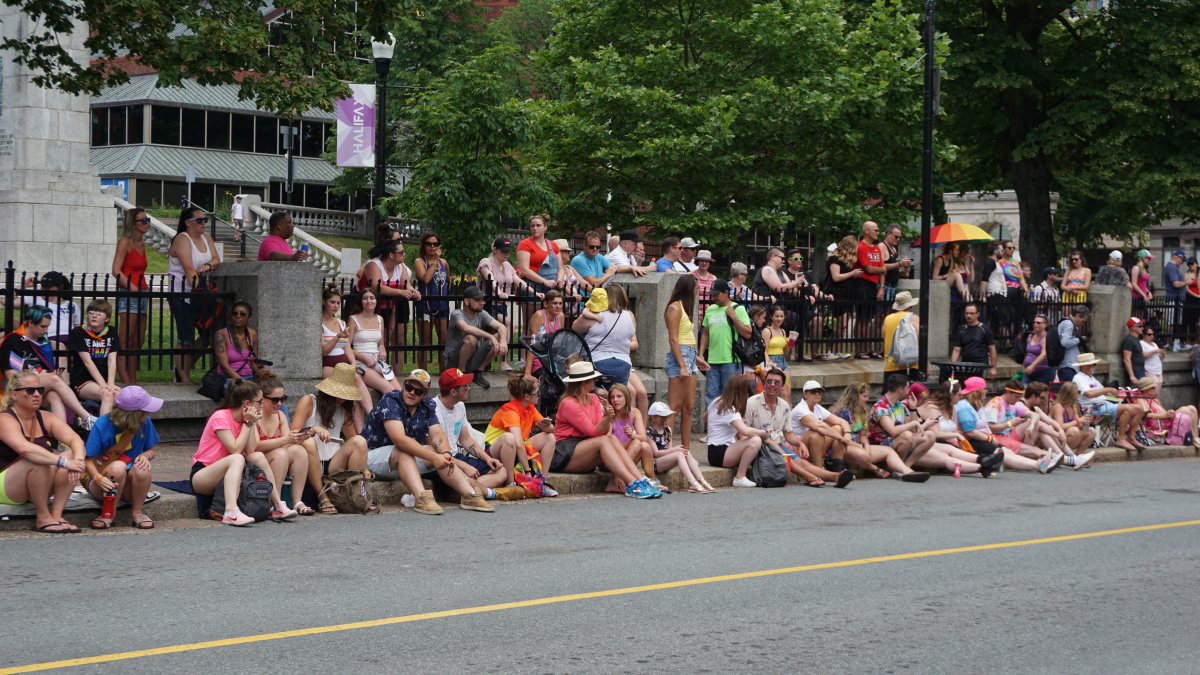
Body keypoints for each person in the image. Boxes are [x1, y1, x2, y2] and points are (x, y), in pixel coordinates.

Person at [363, 369, 495, 514]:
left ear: (425, 394)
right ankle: (422, 498)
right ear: (404, 384)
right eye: (409, 387)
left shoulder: (428, 406)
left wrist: (445, 453)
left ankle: (469, 495)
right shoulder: (390, 401)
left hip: (405, 461)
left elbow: (438, 434)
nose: (412, 392)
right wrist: (434, 457)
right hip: (372, 457)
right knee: (405, 452)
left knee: (436, 452)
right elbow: (399, 440)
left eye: (418, 391)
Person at [190, 380, 298, 526]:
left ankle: (277, 505)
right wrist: (248, 424)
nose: (261, 405)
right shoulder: (220, 417)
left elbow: (251, 450)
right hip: (204, 474)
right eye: (259, 402)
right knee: (237, 458)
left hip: (230, 472)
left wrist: (251, 423)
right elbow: (234, 449)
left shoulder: (246, 419)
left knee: (257, 456)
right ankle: (231, 511)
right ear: (247, 404)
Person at [552, 361, 662, 498]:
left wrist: (606, 417)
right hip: (565, 452)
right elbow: (592, 431)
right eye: (592, 379)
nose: (595, 381)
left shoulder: (593, 398)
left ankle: (640, 480)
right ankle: (632, 483)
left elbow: (601, 429)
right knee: (604, 440)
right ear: (583, 382)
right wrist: (607, 418)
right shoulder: (568, 403)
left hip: (585, 449)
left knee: (611, 438)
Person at [0, 369, 87, 533]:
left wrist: (79, 461)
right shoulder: (4, 418)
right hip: (6, 484)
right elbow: (25, 449)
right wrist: (64, 462)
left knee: (71, 453)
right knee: (38, 460)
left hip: (36, 482)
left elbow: (75, 440)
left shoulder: (45, 416)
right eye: (30, 390)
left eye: (40, 390)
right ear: (14, 394)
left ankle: (56, 515)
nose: (37, 395)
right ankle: (42, 517)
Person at [747, 371, 857, 488]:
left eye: (776, 382)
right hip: (760, 444)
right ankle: (810, 477)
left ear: (781, 387)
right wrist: (753, 445)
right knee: (791, 456)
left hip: (779, 443)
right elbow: (743, 431)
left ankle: (835, 476)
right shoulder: (752, 402)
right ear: (764, 383)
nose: (772, 384)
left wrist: (799, 443)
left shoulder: (784, 406)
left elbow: (788, 434)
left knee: (801, 461)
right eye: (769, 381)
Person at [0, 305, 97, 428]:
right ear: (30, 322)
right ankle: (86, 417)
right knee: (54, 380)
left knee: (54, 396)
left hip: (36, 385)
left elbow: (43, 367)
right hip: (15, 388)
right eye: (43, 326)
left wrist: (47, 374)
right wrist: (40, 376)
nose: (46, 330)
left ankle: (61, 438)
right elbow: (11, 376)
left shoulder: (42, 341)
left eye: (47, 326)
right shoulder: (14, 341)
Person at [292, 363, 369, 514]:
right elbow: (292, 435)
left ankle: (356, 496)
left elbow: (354, 441)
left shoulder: (344, 410)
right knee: (308, 442)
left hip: (333, 463)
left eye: (345, 394)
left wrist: (363, 468)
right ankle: (323, 499)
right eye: (339, 393)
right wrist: (313, 430)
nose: (342, 398)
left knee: (360, 441)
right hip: (308, 462)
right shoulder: (309, 401)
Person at [82, 385, 161, 529]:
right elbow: (88, 461)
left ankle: (137, 512)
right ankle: (108, 513)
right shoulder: (102, 424)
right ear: (134, 414)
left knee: (142, 469)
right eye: (144, 411)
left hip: (128, 487)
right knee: (118, 467)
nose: (148, 413)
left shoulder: (145, 422)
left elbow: (152, 450)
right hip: (102, 482)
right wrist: (99, 479)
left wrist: (146, 455)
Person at [829, 382, 930, 482]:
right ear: (855, 397)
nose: (867, 399)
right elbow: (840, 438)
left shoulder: (863, 412)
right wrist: (861, 448)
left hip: (860, 445)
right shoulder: (843, 413)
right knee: (862, 455)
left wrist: (867, 448)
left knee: (888, 451)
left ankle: (907, 472)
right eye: (865, 396)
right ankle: (873, 469)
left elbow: (863, 436)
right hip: (843, 447)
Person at [953, 377, 1054, 473]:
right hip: (972, 441)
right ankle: (1037, 464)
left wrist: (990, 437)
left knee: (1007, 452)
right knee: (1002, 453)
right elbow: (970, 432)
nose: (986, 391)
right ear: (977, 392)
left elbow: (985, 426)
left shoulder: (978, 406)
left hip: (984, 438)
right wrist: (990, 438)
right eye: (984, 389)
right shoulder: (964, 406)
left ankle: (1038, 463)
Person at [576, 285, 648, 417]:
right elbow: (632, 340)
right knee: (624, 395)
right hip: (623, 365)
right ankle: (629, 427)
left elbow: (575, 328)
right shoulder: (629, 316)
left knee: (603, 393)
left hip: (598, 363)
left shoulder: (595, 315)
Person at [434, 368, 508, 495]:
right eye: (465, 386)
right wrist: (464, 466)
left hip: (456, 456)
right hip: (443, 461)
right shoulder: (433, 409)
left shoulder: (460, 406)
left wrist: (488, 459)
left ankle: (463, 489)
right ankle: (469, 489)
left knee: (501, 471)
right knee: (462, 472)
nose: (469, 388)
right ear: (453, 392)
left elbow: (466, 439)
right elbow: (435, 453)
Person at [167, 206, 220, 383]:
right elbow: (189, 269)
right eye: (199, 220)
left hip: (201, 294)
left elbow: (216, 259)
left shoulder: (206, 238)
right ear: (188, 223)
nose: (203, 223)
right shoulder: (182, 239)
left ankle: (181, 370)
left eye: (205, 220)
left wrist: (208, 266)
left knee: (206, 336)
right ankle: (183, 378)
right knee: (185, 337)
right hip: (182, 294)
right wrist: (201, 293)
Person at [252, 375, 313, 516]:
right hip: (256, 459)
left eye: (282, 399)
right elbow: (255, 446)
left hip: (275, 456)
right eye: (275, 400)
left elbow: (287, 442)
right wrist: (286, 440)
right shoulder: (254, 415)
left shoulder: (280, 416)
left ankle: (297, 501)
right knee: (281, 453)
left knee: (299, 451)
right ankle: (275, 502)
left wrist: (299, 438)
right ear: (262, 398)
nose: (279, 403)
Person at [483, 373, 557, 487]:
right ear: (527, 396)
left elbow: (551, 429)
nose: (538, 395)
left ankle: (542, 481)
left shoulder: (530, 407)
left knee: (549, 438)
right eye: (537, 393)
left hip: (515, 449)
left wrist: (547, 426)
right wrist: (527, 471)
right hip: (494, 451)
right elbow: (517, 443)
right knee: (510, 438)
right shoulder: (510, 410)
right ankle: (510, 482)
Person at [358, 237, 418, 368]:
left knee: (393, 342)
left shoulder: (400, 266)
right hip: (368, 308)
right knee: (374, 341)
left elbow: (406, 283)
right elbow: (376, 287)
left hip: (390, 308)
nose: (404, 254)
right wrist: (400, 292)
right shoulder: (373, 265)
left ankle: (390, 372)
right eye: (401, 252)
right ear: (391, 255)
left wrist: (413, 291)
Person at [478, 236, 542, 360]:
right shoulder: (486, 262)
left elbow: (518, 281)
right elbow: (490, 279)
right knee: (509, 325)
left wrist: (535, 293)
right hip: (486, 305)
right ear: (495, 250)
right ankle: (499, 359)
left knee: (501, 331)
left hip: (501, 306)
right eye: (503, 251)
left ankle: (492, 350)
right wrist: (499, 292)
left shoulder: (507, 265)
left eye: (508, 251)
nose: (506, 254)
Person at [1071, 353, 1145, 452]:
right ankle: (1121, 439)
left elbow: (1103, 392)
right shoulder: (1078, 378)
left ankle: (1131, 437)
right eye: (1093, 365)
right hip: (1092, 408)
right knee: (1127, 409)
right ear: (1086, 366)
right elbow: (1089, 394)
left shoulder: (1091, 378)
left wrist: (1115, 394)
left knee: (1139, 409)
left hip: (1103, 404)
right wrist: (1108, 389)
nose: (1094, 367)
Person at [705, 376, 768, 488]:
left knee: (749, 441)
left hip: (713, 452)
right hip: (722, 453)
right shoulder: (731, 409)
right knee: (756, 441)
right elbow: (745, 430)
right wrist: (762, 432)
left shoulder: (717, 401)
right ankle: (740, 477)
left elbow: (705, 417)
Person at [697, 280, 753, 406]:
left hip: (731, 360)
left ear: (726, 292)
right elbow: (705, 333)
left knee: (730, 394)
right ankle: (712, 424)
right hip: (712, 360)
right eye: (712, 295)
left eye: (717, 294)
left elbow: (748, 333)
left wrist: (734, 317)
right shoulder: (710, 309)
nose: (714, 297)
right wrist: (701, 354)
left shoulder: (738, 309)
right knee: (711, 395)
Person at [111, 207, 150, 384]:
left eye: (147, 220)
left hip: (142, 294)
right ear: (133, 224)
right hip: (128, 293)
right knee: (125, 341)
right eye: (143, 220)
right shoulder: (124, 242)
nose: (146, 223)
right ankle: (125, 381)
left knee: (138, 341)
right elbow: (116, 270)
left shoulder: (142, 245)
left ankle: (133, 381)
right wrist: (132, 287)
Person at [446, 285, 508, 388]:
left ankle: (478, 372)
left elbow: (501, 327)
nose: (482, 302)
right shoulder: (456, 314)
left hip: (473, 358)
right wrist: (490, 336)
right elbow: (466, 328)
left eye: (482, 299)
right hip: (454, 362)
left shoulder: (481, 313)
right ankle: (461, 374)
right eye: (477, 299)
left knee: (498, 336)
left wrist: (503, 341)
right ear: (466, 301)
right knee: (471, 338)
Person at [645, 401, 714, 493]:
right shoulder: (649, 432)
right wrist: (675, 449)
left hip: (666, 461)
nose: (667, 419)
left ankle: (701, 480)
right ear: (653, 418)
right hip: (655, 463)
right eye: (663, 417)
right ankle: (692, 482)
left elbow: (669, 449)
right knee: (678, 454)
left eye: (668, 416)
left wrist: (675, 450)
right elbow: (656, 453)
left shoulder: (668, 430)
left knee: (685, 452)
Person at [663, 275, 699, 449]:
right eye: (695, 288)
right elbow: (673, 339)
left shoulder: (686, 307)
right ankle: (667, 448)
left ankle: (686, 449)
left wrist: (697, 358)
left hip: (691, 355)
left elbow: (688, 336)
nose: (697, 291)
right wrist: (682, 365)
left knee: (689, 407)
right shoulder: (675, 307)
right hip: (681, 357)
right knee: (674, 407)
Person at [67, 299, 121, 416]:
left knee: (125, 398)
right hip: (83, 381)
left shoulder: (111, 332)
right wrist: (103, 385)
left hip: (105, 381)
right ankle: (102, 433)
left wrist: (110, 384)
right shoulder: (78, 332)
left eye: (99, 313)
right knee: (107, 395)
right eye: (91, 312)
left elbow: (112, 359)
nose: (94, 316)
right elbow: (87, 361)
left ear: (107, 319)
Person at [607, 383, 663, 492]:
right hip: (613, 457)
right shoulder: (609, 415)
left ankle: (652, 479)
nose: (615, 400)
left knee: (645, 446)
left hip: (630, 454)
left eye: (619, 396)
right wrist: (632, 441)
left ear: (626, 397)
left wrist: (632, 435)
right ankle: (616, 477)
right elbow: (608, 441)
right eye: (612, 397)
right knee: (637, 443)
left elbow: (643, 437)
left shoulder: (635, 412)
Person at [347, 289, 401, 395]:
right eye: (365, 298)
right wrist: (365, 358)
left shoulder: (380, 319)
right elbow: (347, 347)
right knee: (390, 390)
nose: (369, 301)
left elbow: (381, 344)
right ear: (361, 302)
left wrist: (383, 351)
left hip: (378, 362)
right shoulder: (353, 319)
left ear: (376, 301)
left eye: (372, 298)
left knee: (400, 391)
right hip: (361, 363)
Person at [413, 232, 451, 372]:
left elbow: (448, 280)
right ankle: (422, 375)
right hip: (425, 306)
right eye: (429, 243)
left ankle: (444, 373)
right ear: (424, 245)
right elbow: (426, 279)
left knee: (444, 342)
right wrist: (434, 262)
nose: (432, 246)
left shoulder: (444, 263)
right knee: (425, 342)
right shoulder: (420, 261)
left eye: (435, 244)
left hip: (441, 306)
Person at [824, 236, 864, 359]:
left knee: (844, 324)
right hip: (837, 294)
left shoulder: (849, 261)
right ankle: (831, 350)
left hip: (848, 294)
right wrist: (852, 273)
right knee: (840, 324)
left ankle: (838, 350)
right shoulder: (834, 259)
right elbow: (836, 277)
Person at [1134, 377, 1200, 450]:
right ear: (1145, 389)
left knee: (1192, 408)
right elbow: (1146, 415)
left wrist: (1168, 413)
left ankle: (1195, 437)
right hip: (1159, 424)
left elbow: (1163, 412)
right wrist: (1164, 416)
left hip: (1166, 420)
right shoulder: (1141, 399)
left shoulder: (1154, 399)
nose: (1155, 389)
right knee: (1186, 410)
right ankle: (1194, 438)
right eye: (1152, 388)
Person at [212, 301, 266, 387]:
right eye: (235, 313)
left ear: (249, 317)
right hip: (229, 378)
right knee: (244, 392)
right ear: (230, 316)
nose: (238, 316)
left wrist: (261, 372)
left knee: (273, 389)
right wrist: (244, 382)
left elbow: (252, 361)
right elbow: (224, 366)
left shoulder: (252, 334)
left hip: (250, 376)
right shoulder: (221, 335)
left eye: (242, 314)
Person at [523, 290, 569, 379]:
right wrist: (527, 373)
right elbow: (533, 347)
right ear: (546, 304)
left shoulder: (561, 316)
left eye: (560, 303)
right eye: (555, 303)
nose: (558, 306)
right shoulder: (539, 316)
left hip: (554, 360)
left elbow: (559, 343)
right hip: (539, 361)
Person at [1050, 382, 1100, 461]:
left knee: (1091, 431)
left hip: (1067, 437)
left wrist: (1086, 421)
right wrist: (1078, 421)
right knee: (1074, 430)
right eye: (1078, 392)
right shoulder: (1058, 406)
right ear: (1070, 394)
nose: (1079, 394)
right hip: (1056, 439)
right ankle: (1064, 457)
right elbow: (1059, 426)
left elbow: (1079, 425)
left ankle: (1078, 457)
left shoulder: (1073, 406)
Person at [516, 214, 562, 295]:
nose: (535, 228)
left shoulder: (553, 245)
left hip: (552, 287)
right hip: (532, 287)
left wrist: (559, 280)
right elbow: (524, 270)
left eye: (538, 225)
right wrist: (545, 281)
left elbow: (561, 268)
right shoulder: (525, 244)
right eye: (532, 226)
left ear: (545, 227)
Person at [950, 303, 998, 377]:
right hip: (966, 365)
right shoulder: (962, 330)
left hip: (981, 365)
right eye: (967, 313)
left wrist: (993, 367)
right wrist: (952, 367)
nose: (969, 316)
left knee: (979, 387)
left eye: (971, 313)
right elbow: (956, 350)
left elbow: (992, 348)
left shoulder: (985, 329)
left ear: (977, 314)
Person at [883, 291, 919, 377]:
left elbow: (884, 337)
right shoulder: (914, 318)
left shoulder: (888, 318)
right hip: (909, 364)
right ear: (910, 305)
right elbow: (919, 341)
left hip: (890, 364)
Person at [1055, 305, 1090, 381]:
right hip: (1067, 365)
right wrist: (1079, 340)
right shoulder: (1069, 324)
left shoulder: (1068, 323)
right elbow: (1065, 342)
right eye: (1083, 321)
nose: (1082, 324)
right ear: (1078, 316)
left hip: (1069, 365)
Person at [880, 225, 912, 302]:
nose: (898, 239)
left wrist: (903, 271)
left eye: (899, 238)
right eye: (896, 237)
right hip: (886, 286)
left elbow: (893, 269)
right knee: (883, 312)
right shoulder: (882, 246)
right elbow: (880, 267)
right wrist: (899, 264)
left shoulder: (894, 249)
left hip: (892, 287)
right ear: (888, 234)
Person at [1021, 314, 1055, 383]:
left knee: (1038, 392)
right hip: (1028, 372)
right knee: (1024, 390)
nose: (1035, 324)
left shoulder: (1046, 337)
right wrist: (1024, 365)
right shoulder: (1030, 336)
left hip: (1043, 372)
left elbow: (1044, 354)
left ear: (1045, 325)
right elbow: (1028, 353)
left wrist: (1032, 366)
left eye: (1038, 323)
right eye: (1034, 322)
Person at [762, 305, 789, 385]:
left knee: (787, 390)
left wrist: (791, 342)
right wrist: (771, 364)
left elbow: (786, 354)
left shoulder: (783, 331)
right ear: (771, 317)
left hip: (783, 360)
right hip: (772, 361)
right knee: (777, 389)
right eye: (776, 316)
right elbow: (764, 351)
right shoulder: (767, 331)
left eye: (781, 316)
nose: (779, 319)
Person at [1164, 249, 1187, 335]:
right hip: (1173, 299)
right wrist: (1186, 282)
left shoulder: (1175, 267)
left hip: (1177, 299)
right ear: (1177, 257)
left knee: (1177, 322)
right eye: (1182, 260)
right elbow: (1176, 284)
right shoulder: (1171, 267)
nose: (1183, 262)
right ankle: (1170, 343)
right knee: (1172, 322)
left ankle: (1175, 342)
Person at [1121, 317, 1147, 384]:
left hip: (1140, 370)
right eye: (1140, 326)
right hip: (1136, 371)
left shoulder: (1136, 339)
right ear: (1133, 327)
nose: (1142, 328)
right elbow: (1126, 359)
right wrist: (1132, 376)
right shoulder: (1129, 340)